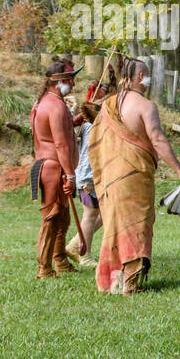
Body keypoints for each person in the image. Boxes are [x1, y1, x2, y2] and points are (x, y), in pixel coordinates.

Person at [89, 56, 180, 294]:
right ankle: (129, 284)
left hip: (110, 178)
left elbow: (94, 142)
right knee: (136, 225)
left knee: (115, 226)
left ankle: (113, 281)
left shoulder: (107, 105)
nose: (148, 80)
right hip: (134, 177)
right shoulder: (146, 106)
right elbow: (157, 139)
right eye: (146, 76)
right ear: (138, 77)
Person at [29, 58, 82, 279]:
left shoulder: (45, 103)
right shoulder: (56, 106)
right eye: (70, 79)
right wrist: (70, 175)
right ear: (57, 81)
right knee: (51, 218)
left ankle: (59, 260)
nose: (73, 84)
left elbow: (57, 132)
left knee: (63, 217)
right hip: (53, 168)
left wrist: (78, 119)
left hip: (49, 166)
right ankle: (44, 268)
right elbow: (59, 144)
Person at [66, 81, 112, 267]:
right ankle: (84, 255)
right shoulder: (92, 125)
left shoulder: (95, 123)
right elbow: (89, 155)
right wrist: (87, 179)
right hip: (88, 175)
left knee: (104, 213)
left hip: (94, 174)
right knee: (91, 214)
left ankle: (76, 244)